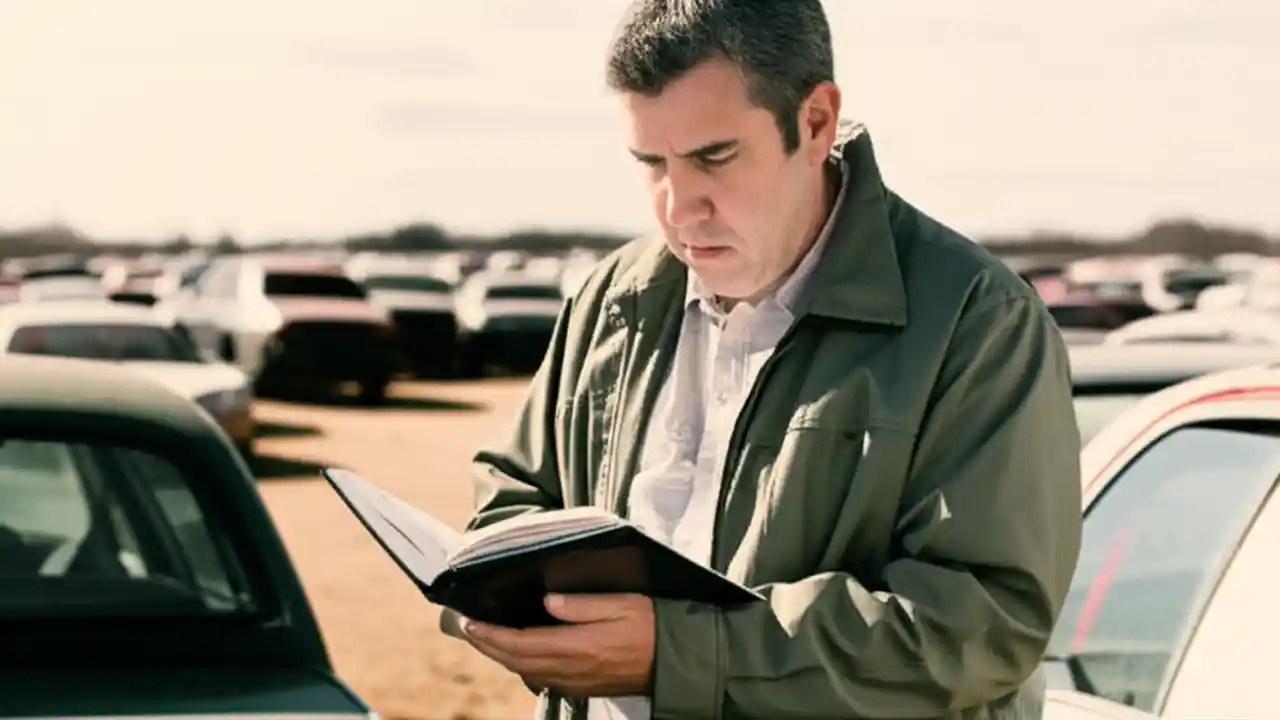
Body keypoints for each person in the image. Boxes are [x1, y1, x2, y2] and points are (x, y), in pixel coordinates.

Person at [451, 1, 1082, 718]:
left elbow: (983, 626)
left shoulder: (977, 323)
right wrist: (498, 592)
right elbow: (514, 495)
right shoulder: (610, 300)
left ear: (815, 124)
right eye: (651, 163)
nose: (679, 207)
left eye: (713, 158)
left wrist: (678, 652)